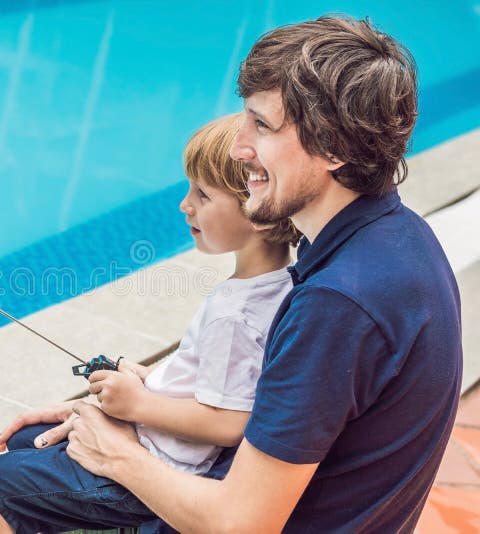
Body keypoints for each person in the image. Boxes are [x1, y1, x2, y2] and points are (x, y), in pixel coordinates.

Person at [62, 15, 463, 533]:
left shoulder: (340, 303)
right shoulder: (399, 237)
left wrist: (116, 452)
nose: (238, 148)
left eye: (263, 126)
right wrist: (154, 392)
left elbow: (239, 524)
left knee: (12, 484)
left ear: (334, 149)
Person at [0, 113, 300, 533]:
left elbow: (230, 422)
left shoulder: (235, 314)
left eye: (203, 194)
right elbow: (228, 383)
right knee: (22, 444)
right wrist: (149, 380)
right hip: (165, 444)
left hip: (161, 465)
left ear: (259, 211)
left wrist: (139, 404)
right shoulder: (279, 286)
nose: (186, 204)